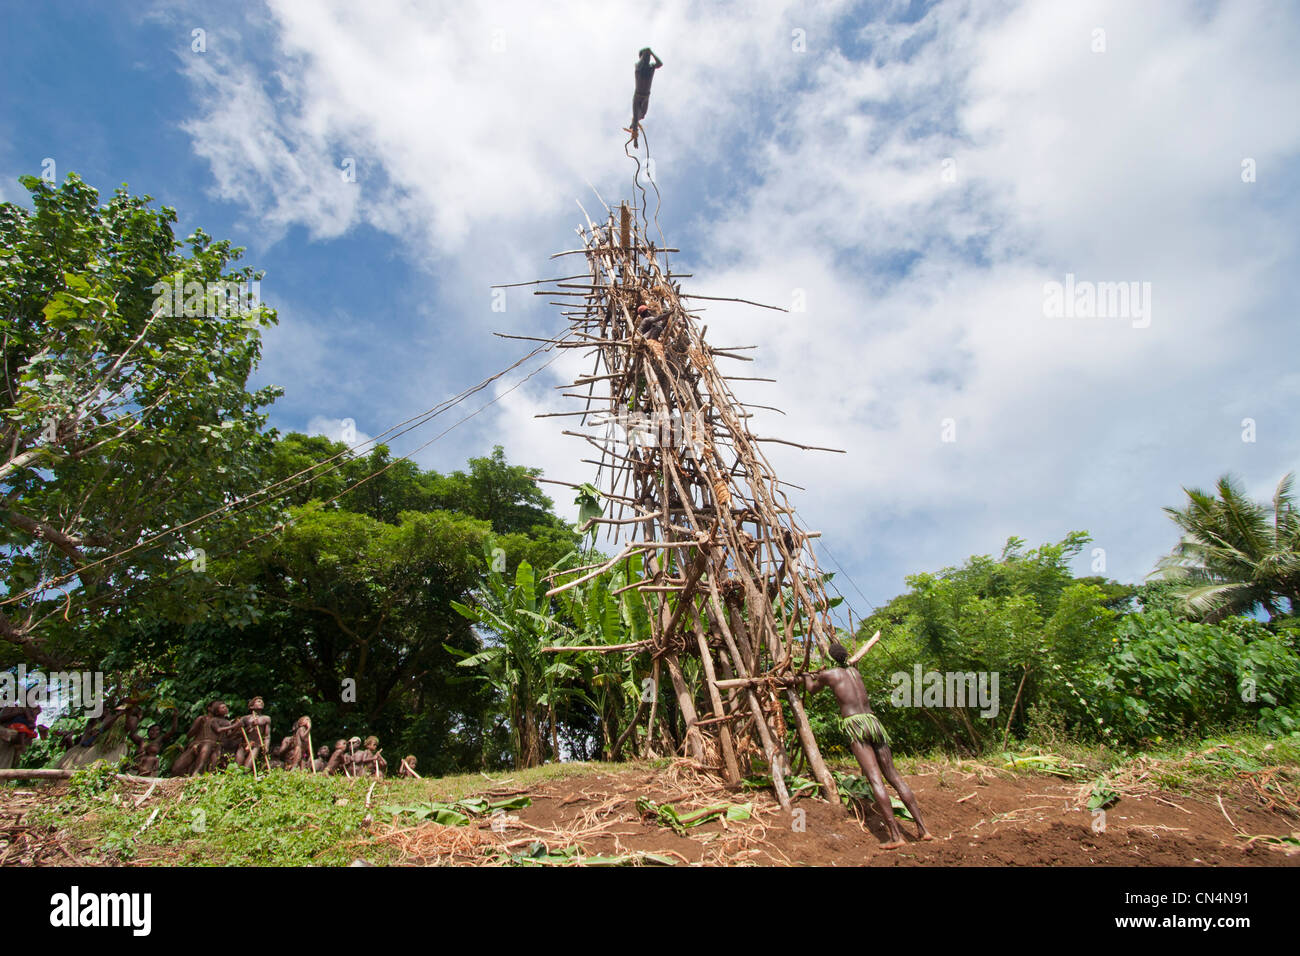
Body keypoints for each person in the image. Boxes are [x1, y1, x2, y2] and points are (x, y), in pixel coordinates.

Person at [795, 643, 932, 848]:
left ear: (830, 659)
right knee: (893, 776)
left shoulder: (830, 675)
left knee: (875, 779)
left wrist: (806, 676)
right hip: (873, 722)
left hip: (855, 725)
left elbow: (812, 689)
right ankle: (923, 829)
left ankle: (895, 836)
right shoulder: (854, 672)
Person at [625, 47, 663, 146]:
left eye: (648, 57)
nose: (647, 58)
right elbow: (642, 61)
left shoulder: (651, 67)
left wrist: (652, 53)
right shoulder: (638, 66)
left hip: (646, 96)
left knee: (641, 115)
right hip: (637, 97)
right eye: (645, 57)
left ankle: (634, 124)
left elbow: (660, 64)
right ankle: (634, 127)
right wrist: (646, 53)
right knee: (637, 116)